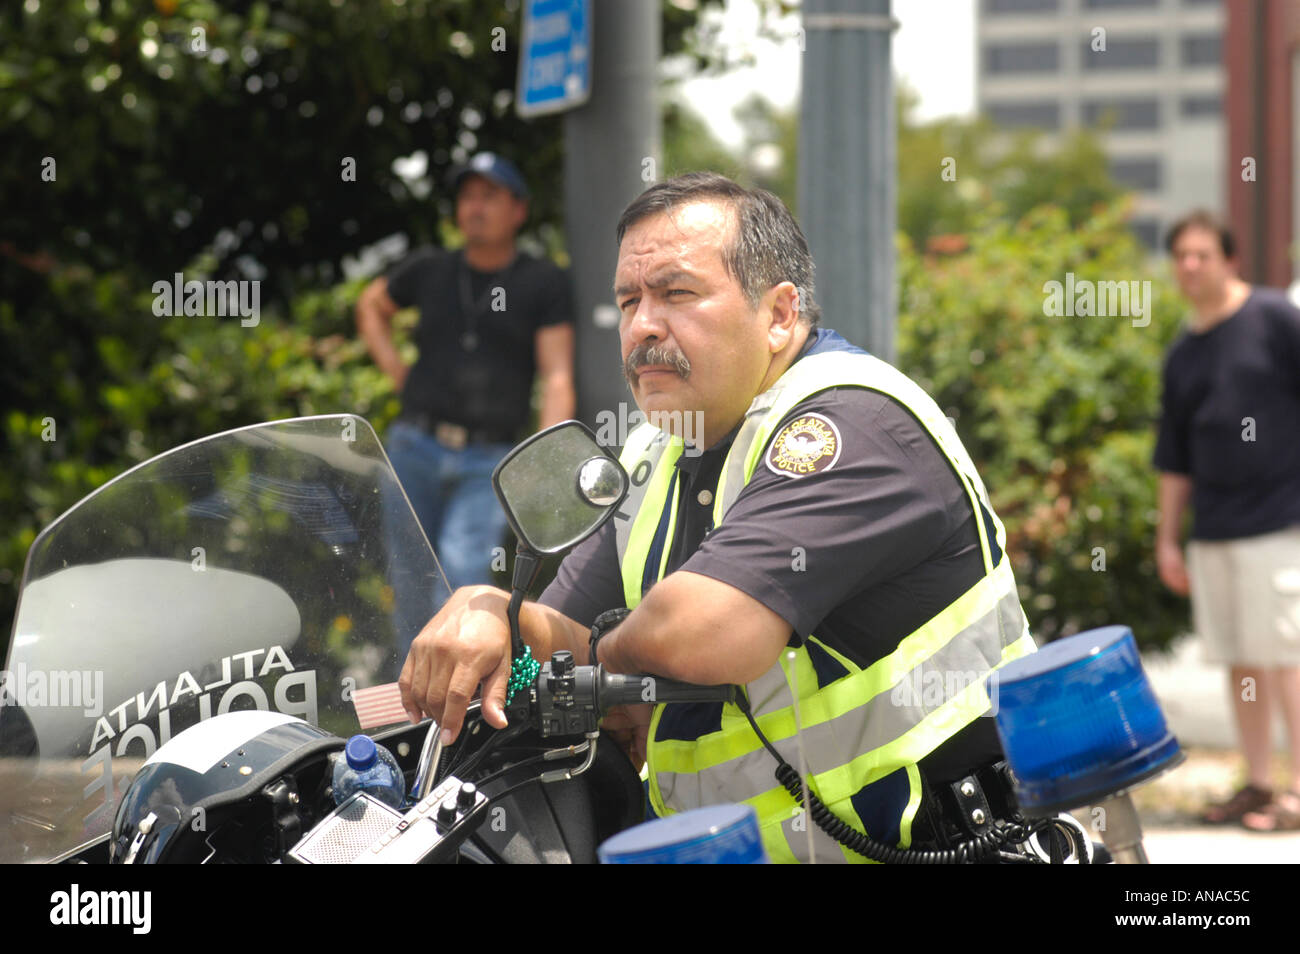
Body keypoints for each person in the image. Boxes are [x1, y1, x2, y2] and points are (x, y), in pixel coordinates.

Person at [398, 172, 1037, 863]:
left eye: (677, 293)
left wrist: (609, 663)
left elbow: (709, 630)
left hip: (931, 848)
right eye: (629, 300)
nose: (643, 325)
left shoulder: (851, 420)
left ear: (780, 315)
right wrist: (490, 608)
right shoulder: (653, 456)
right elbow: (568, 633)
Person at [356, 153, 575, 650]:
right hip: (415, 446)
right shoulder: (432, 268)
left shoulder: (542, 281)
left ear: (518, 210)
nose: (475, 207)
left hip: (489, 459)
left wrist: (543, 462)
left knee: (459, 580)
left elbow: (557, 375)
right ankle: (408, 715)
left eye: (490, 196)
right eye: (468, 196)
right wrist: (397, 373)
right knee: (409, 581)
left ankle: (451, 713)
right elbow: (372, 304)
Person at [1153, 210, 1300, 832]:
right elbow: (1173, 457)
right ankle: (1260, 784)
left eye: (1201, 255)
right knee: (1242, 659)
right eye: (1181, 256)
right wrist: (1167, 539)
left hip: (1281, 520)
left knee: (1289, 655)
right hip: (1214, 529)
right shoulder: (1183, 353)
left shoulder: (1273, 319)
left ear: (1229, 260)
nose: (1190, 266)